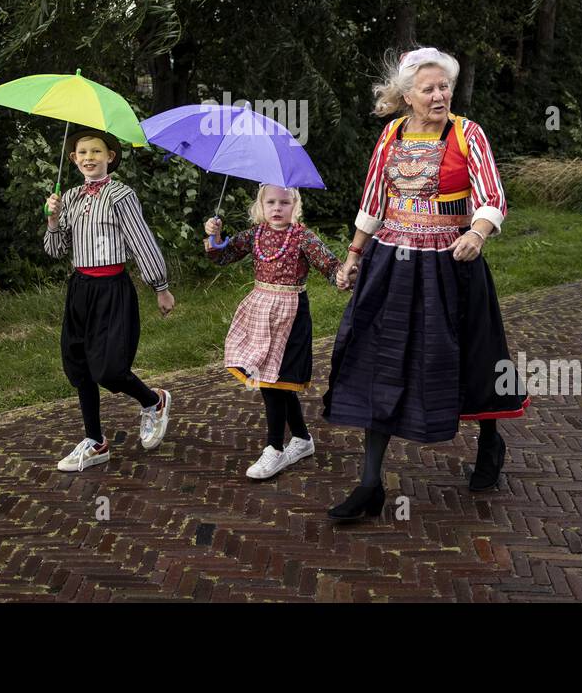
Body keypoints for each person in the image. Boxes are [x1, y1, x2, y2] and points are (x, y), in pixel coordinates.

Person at [322, 46, 529, 520]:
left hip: (452, 264)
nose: (440, 95)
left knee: (471, 358)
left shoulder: (467, 133)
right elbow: (373, 200)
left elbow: (493, 195)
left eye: (445, 87)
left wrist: (477, 233)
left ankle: (490, 443)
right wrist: (353, 255)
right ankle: (370, 485)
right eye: (429, 89)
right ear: (407, 95)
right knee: (378, 359)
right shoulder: (390, 134)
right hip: (391, 265)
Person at [43, 128, 175, 472]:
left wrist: (160, 286)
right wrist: (53, 218)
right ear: (73, 159)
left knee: (110, 370)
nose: (89, 158)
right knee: (79, 366)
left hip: (112, 288)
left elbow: (141, 240)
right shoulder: (69, 197)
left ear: (109, 157)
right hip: (80, 288)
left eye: (96, 152)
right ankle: (95, 441)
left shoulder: (121, 195)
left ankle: (153, 401)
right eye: (82, 152)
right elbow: (55, 250)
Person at [204, 184, 342, 480]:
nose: (277, 208)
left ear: (296, 205)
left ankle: (274, 448)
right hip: (260, 309)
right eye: (271, 202)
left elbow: (329, 266)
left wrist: (343, 274)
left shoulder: (304, 237)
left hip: (291, 313)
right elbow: (223, 256)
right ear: (260, 207)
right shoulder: (255, 234)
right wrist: (214, 236)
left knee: (275, 381)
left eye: (284, 202)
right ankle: (302, 439)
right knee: (271, 380)